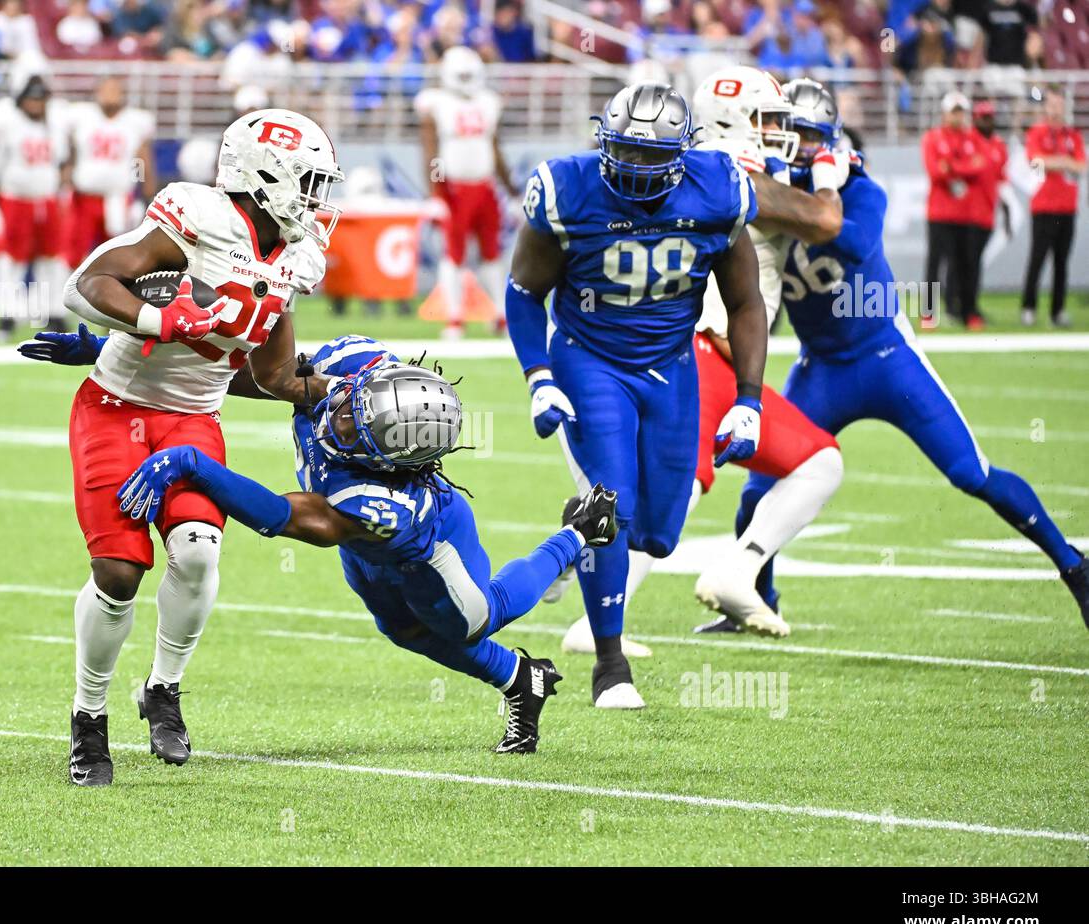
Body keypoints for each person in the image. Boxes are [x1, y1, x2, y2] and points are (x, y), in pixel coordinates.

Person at [26, 334, 620, 753]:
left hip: (431, 557)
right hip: (366, 558)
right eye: (356, 404)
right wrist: (121, 354)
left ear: (384, 459)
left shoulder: (383, 504)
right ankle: (523, 680)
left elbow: (279, 515)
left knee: (476, 618)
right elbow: (261, 377)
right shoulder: (354, 368)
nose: (337, 415)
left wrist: (191, 464)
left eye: (354, 426)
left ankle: (574, 534)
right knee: (401, 632)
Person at [49, 108, 345, 786]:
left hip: (192, 418)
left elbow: (270, 374)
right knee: (120, 572)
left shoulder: (295, 256)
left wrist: (339, 390)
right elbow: (86, 284)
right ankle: (87, 717)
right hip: (115, 407)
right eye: (308, 182)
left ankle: (162, 689)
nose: (317, 200)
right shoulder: (198, 217)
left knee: (198, 553)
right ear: (264, 174)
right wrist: (158, 317)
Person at [733, 86, 1089, 634]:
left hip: (884, 359)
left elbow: (848, 243)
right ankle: (759, 601)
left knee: (972, 473)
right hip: (820, 367)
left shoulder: (859, 189)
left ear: (828, 142)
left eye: (805, 134)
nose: (793, 143)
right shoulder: (770, 191)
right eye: (785, 130)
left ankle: (1073, 566)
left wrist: (810, 191)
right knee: (756, 492)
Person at [504, 83, 777, 708]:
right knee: (614, 503)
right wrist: (539, 377)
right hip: (590, 359)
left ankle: (573, 540)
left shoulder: (718, 189)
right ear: (604, 142)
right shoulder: (568, 190)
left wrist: (750, 398)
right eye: (626, 151)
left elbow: (743, 301)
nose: (637, 167)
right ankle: (610, 666)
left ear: (684, 153)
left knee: (656, 535)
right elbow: (524, 292)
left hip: (671, 365)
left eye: (653, 156)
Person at [416, 46, 515, 340]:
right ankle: (455, 317)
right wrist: (435, 192)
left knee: (492, 253)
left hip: (484, 186)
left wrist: (511, 189)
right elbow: (430, 149)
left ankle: (500, 315)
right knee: (454, 254)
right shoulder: (436, 103)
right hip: (454, 189)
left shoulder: (488, 101)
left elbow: (494, 147)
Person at [0, 73, 70, 339]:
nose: (36, 104)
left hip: (47, 198)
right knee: (12, 259)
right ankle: (8, 315)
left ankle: (52, 312)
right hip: (16, 199)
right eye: (31, 99)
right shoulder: (8, 124)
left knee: (51, 257)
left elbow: (62, 160)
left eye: (40, 99)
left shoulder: (53, 126)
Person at [64, 77, 156, 268]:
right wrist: (67, 180)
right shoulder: (82, 117)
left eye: (114, 90)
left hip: (119, 196)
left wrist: (145, 192)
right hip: (85, 197)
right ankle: (70, 292)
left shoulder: (134, 122)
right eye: (105, 90)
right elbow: (70, 152)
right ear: (97, 93)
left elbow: (142, 159)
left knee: (116, 251)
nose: (109, 95)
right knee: (76, 249)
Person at [1020, 87, 1085, 329]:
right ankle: (1029, 307)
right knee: (1037, 259)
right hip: (1044, 206)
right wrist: (1063, 161)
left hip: (1067, 207)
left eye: (1059, 104)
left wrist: (1055, 162)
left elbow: (1081, 166)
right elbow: (1036, 162)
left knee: (1061, 262)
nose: (1056, 108)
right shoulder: (1038, 132)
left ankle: (1057, 311)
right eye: (1052, 104)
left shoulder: (1072, 135)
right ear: (1046, 106)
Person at [922, 90, 987, 330]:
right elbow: (935, 170)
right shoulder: (933, 137)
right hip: (940, 211)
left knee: (965, 263)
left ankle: (966, 312)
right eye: (954, 112)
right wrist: (963, 168)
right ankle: (929, 313)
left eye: (961, 112)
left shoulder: (973, 138)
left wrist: (951, 166)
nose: (958, 117)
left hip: (966, 212)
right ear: (944, 114)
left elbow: (980, 168)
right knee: (935, 263)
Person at [966, 98, 1007, 327]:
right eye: (983, 117)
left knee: (975, 263)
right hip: (967, 214)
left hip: (988, 212)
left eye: (990, 117)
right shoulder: (969, 141)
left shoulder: (998, 145)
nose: (987, 121)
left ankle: (970, 308)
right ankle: (968, 310)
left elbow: (1001, 176)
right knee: (967, 263)